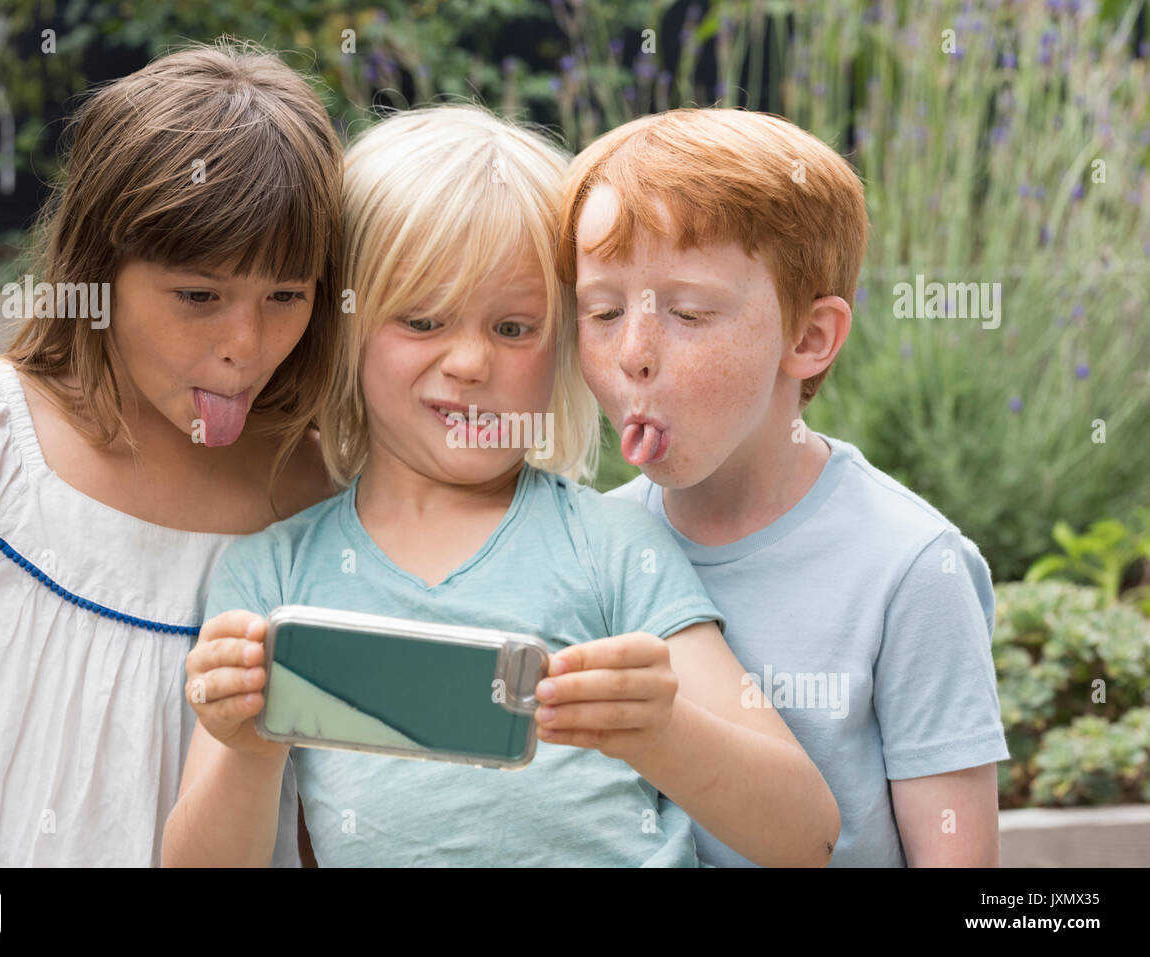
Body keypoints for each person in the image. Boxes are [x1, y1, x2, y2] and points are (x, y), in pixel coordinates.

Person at [163, 105, 840, 868]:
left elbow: (805, 835)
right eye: (421, 320)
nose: (469, 362)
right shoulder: (272, 578)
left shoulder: (613, 545)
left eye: (514, 328)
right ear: (345, 331)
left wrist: (663, 730)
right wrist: (246, 745)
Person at [0, 40, 342, 866]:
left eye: (286, 297)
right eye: (198, 295)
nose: (246, 344)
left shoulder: (318, 495)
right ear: (98, 268)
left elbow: (314, 812)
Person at [559, 107, 1009, 866]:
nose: (633, 352)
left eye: (689, 311)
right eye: (602, 311)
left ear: (808, 338)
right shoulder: (591, 546)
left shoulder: (911, 566)